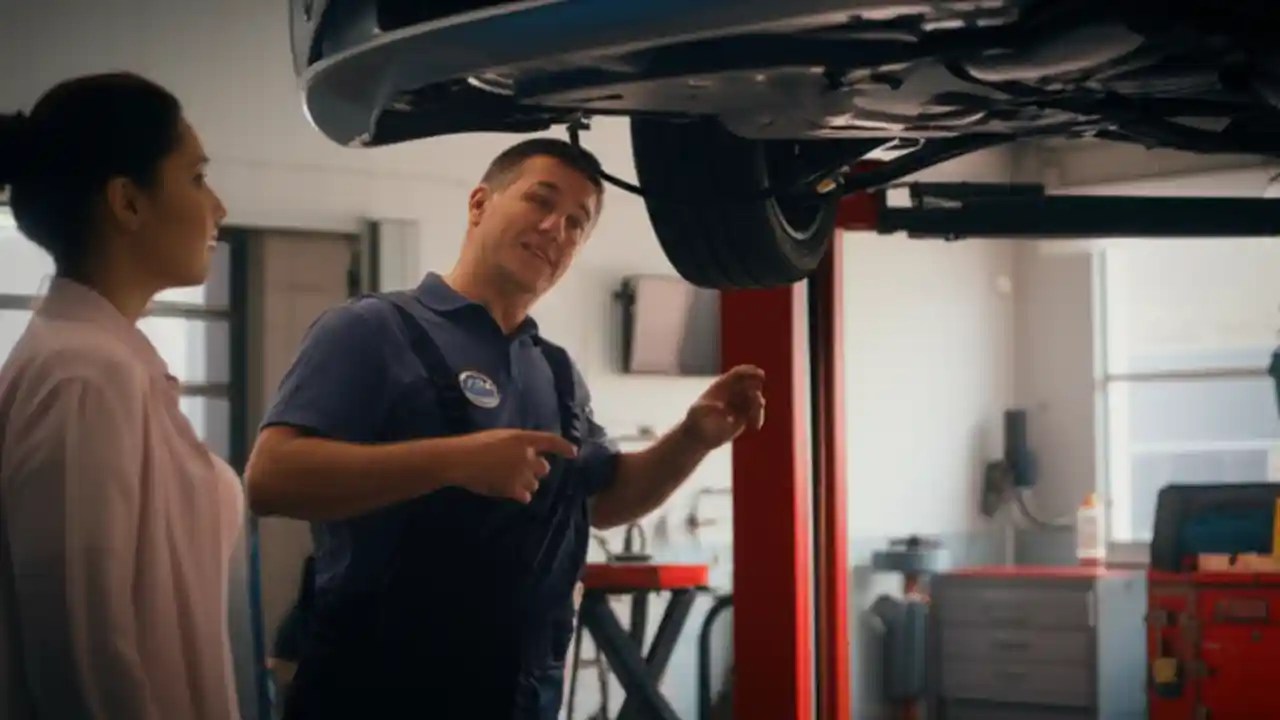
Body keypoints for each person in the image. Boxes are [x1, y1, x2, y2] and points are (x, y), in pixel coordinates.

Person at [245, 137, 765, 719]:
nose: (554, 228)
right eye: (540, 201)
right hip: (376, 693)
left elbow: (602, 502)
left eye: (576, 223)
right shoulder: (371, 329)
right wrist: (456, 460)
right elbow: (271, 479)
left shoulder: (556, 372)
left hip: (521, 698)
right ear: (479, 204)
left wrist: (693, 438)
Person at [0, 73, 241, 719]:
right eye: (197, 178)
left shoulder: (104, 363)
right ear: (128, 202)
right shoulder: (81, 375)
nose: (218, 207)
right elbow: (81, 662)